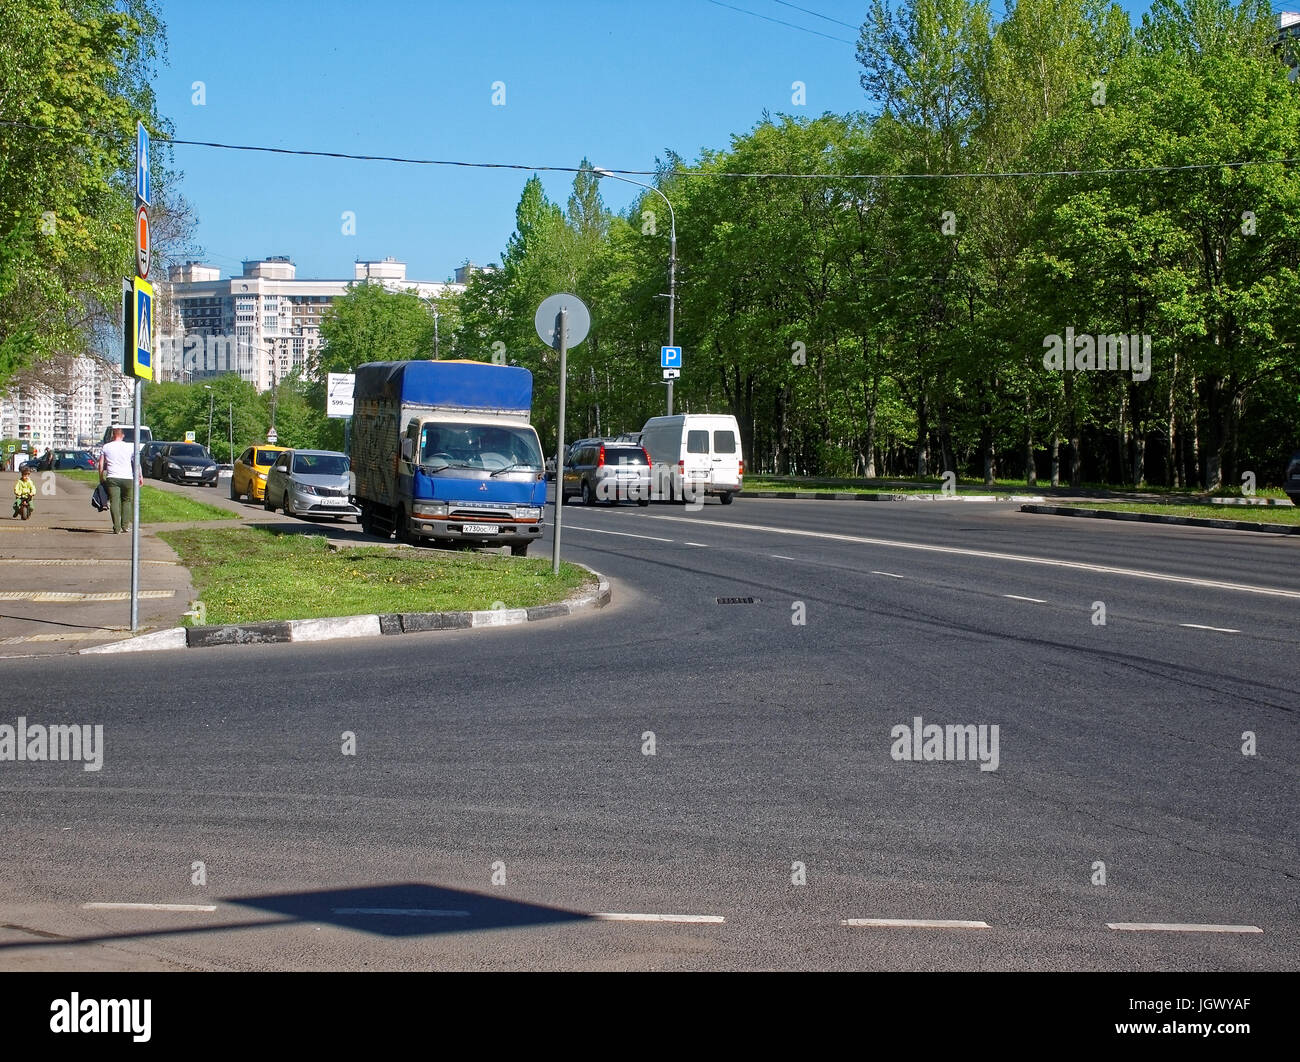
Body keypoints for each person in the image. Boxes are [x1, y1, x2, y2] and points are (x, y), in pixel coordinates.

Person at [98, 428, 142, 534]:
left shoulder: (106, 447)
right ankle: (125, 526)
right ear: (122, 436)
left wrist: (101, 477)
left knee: (114, 502)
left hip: (112, 477)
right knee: (126, 501)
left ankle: (116, 528)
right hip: (127, 477)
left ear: (113, 436)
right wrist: (140, 476)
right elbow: (136, 463)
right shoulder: (129, 446)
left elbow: (100, 464)